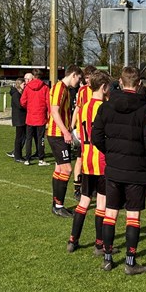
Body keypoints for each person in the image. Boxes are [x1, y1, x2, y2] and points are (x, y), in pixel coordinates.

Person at [91, 66, 146, 274]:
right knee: (133, 216)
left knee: (110, 212)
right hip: (136, 170)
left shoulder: (105, 107)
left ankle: (107, 257)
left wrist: (111, 151)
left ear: (120, 83)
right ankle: (130, 262)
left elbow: (96, 137)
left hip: (114, 168)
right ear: (139, 84)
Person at [67, 70, 111, 254]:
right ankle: (99, 244)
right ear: (104, 87)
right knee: (101, 202)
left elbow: (79, 132)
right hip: (100, 159)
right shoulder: (105, 108)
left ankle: (72, 240)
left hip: (86, 159)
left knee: (84, 201)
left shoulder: (84, 108)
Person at [46, 65, 84, 217]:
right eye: (79, 78)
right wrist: (66, 132)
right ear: (73, 75)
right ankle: (59, 205)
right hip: (57, 135)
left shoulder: (65, 89)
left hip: (59, 134)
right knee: (67, 169)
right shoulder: (59, 88)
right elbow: (54, 111)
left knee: (59, 169)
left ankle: (56, 204)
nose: (79, 82)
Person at [70, 65, 98, 198]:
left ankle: (94, 187)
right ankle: (77, 187)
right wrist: (72, 126)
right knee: (80, 158)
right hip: (84, 131)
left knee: (95, 159)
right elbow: (77, 109)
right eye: (86, 77)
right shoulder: (82, 91)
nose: (87, 80)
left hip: (97, 130)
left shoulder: (100, 90)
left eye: (89, 77)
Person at [20, 70, 50, 165]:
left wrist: (29, 107)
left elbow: (23, 101)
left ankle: (27, 159)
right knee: (41, 138)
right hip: (41, 116)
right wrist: (48, 113)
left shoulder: (28, 87)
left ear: (33, 76)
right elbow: (48, 102)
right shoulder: (45, 87)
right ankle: (41, 159)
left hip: (30, 116)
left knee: (29, 138)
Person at [6, 76, 27, 162]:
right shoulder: (16, 94)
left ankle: (17, 153)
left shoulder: (19, 93)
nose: (25, 85)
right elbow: (19, 105)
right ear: (19, 84)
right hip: (19, 119)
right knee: (19, 137)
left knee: (23, 137)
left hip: (21, 118)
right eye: (23, 84)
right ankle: (17, 156)